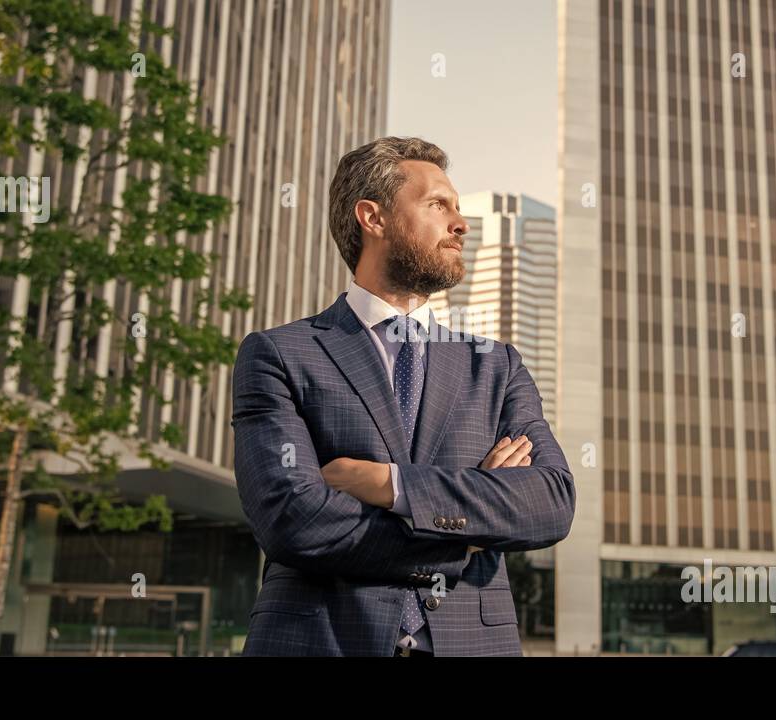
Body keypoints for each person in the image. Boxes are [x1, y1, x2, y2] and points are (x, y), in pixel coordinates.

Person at [231, 136, 575, 656]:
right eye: (438, 205)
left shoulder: (497, 367)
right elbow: (292, 521)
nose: (461, 224)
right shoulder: (280, 354)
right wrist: (470, 530)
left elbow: (549, 502)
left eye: (459, 209)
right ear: (373, 218)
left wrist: (387, 484)